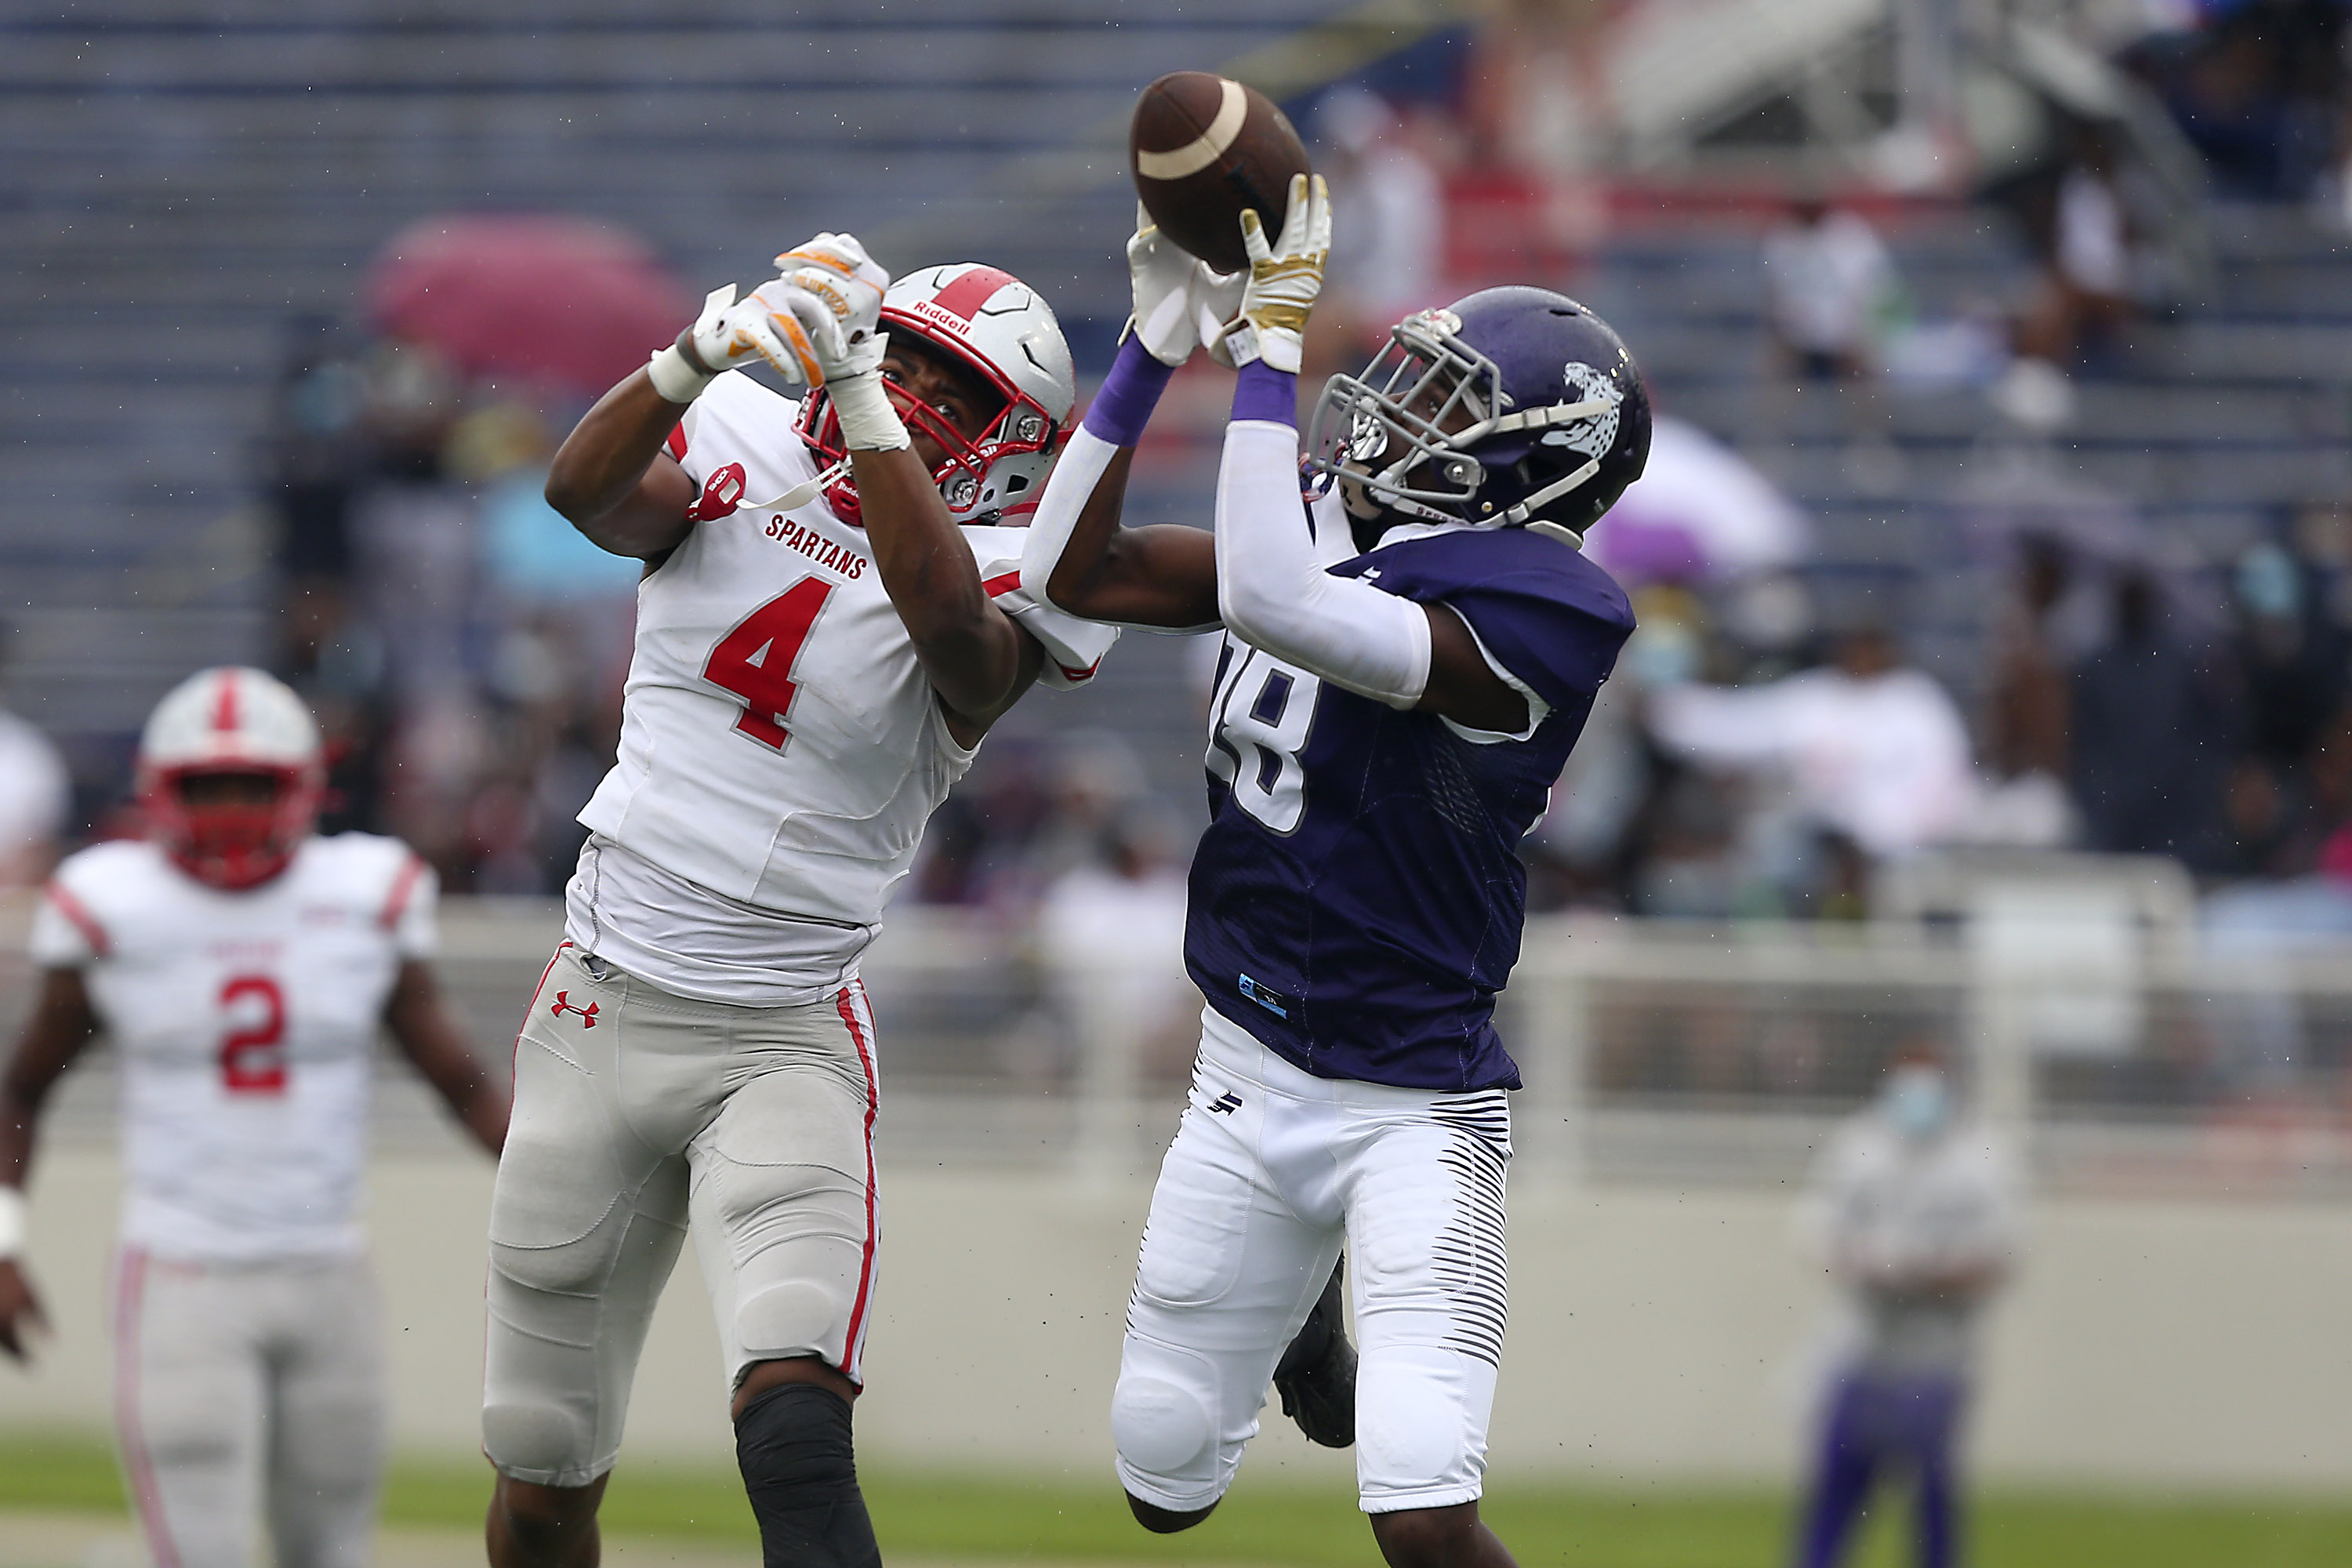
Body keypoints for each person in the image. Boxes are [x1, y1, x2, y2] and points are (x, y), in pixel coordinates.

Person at [1021, 179, 1647, 1567]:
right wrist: (1145, 353)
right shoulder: (1324, 525)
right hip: (1247, 1057)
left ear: (1531, 469)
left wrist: (1264, 349)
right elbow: (1070, 575)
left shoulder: (1551, 609)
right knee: (1163, 1476)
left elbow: (1271, 602)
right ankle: (1308, 1313)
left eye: (1444, 407)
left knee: (1422, 1517)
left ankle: (1339, 1286)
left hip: (1414, 1099)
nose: (1391, 418)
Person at [484, 234, 1117, 1568]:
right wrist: (685, 361)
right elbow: (585, 496)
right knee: (539, 1483)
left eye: (954, 386)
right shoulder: (743, 438)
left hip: (778, 1041)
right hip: (595, 1009)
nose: (911, 389)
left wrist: (872, 404)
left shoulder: (1017, 564)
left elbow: (951, 633)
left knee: (792, 1431)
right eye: (908, 359)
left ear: (1013, 449)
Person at [0, 665, 507, 1568]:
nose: (231, 809)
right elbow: (22, 1088)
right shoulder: (113, 903)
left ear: (304, 789)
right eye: (208, 786)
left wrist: (564, 1194)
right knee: (201, 1552)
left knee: (334, 1550)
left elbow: (461, 1080)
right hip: (185, 1277)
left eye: (253, 785)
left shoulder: (364, 891)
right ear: (161, 791)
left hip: (330, 1271)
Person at [1791, 1050, 2019, 1568]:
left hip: (1939, 1356)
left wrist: (1930, 1273)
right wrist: (1870, 1263)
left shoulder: (1982, 1158)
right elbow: (1814, 1231)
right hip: (1862, 1350)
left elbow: (2004, 1252)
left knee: (1933, 1493)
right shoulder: (1857, 1147)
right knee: (1839, 1488)